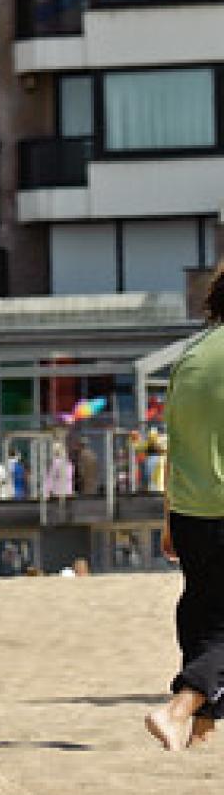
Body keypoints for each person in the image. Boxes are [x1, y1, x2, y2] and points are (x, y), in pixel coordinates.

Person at [146, 262, 224, 751]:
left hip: (192, 512)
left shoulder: (191, 357)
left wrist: (169, 518)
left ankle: (203, 723)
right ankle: (181, 707)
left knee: (203, 609)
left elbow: (174, 447)